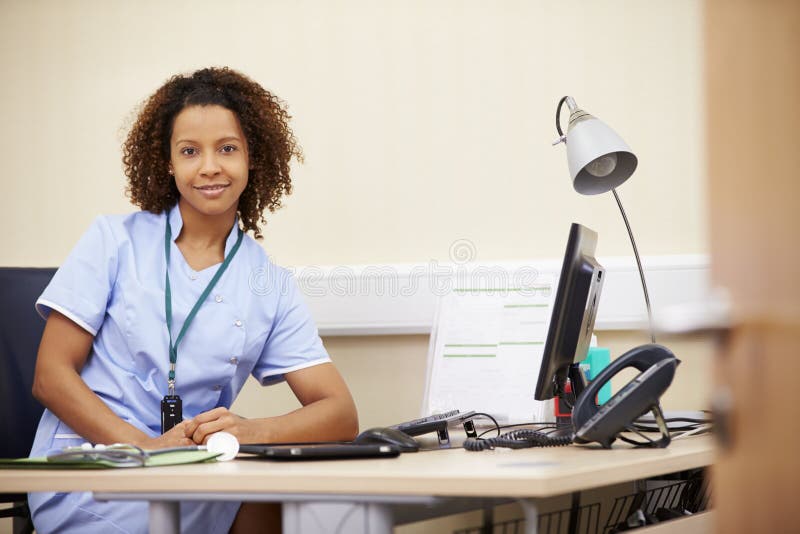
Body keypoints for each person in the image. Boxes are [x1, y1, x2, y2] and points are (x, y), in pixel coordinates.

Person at [28, 66, 359, 533]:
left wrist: (253, 431)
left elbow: (340, 413)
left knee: (279, 500)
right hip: (93, 466)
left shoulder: (268, 282)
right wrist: (142, 446)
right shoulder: (112, 242)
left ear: (252, 157)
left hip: (193, 470)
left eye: (227, 148)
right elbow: (50, 376)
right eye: (189, 151)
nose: (209, 166)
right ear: (168, 162)